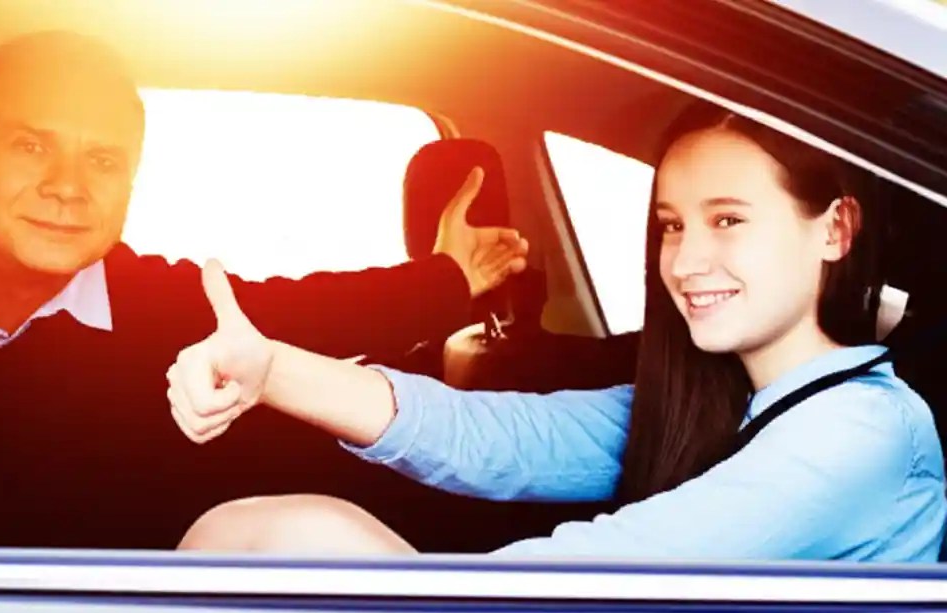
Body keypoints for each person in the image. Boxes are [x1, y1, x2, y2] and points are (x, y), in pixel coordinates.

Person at [0, 31, 526, 549]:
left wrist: (450, 276)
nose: (66, 187)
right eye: (30, 145)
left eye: (103, 160)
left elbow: (315, 309)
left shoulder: (174, 313)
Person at [166, 102, 947, 562]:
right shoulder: (712, 402)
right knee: (260, 527)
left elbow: (621, 572)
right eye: (672, 227)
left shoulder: (866, 428)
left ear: (835, 230)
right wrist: (269, 371)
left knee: (303, 534)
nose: (686, 260)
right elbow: (494, 438)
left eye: (729, 221)